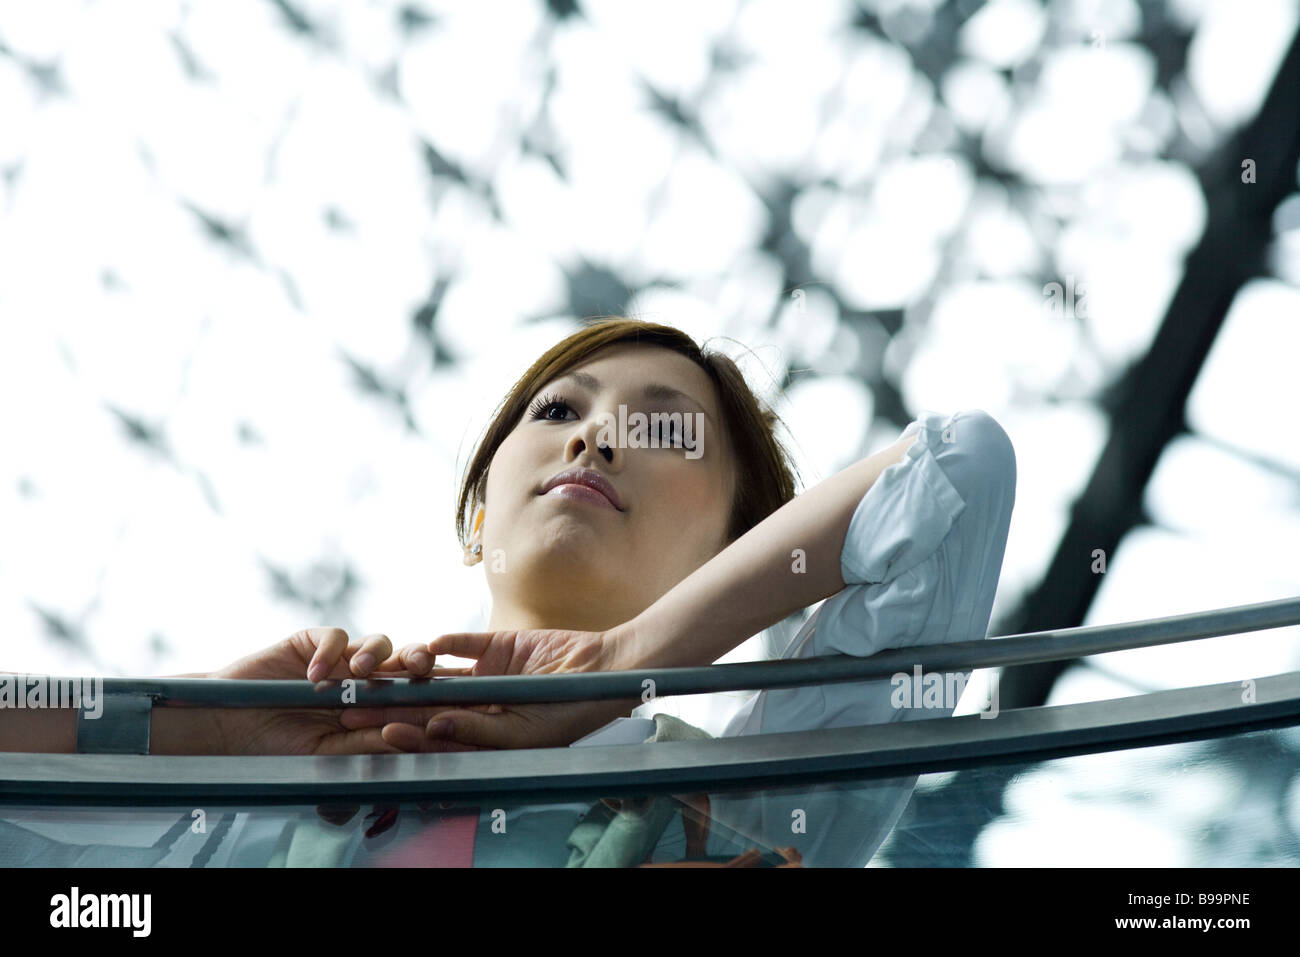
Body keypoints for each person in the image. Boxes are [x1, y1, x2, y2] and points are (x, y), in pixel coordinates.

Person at [2, 318, 1016, 866]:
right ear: (477, 516)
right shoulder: (283, 771)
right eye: (557, 408)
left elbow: (959, 473)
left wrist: (625, 662)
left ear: (740, 546)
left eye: (666, 428)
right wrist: (190, 735)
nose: (594, 436)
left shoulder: (753, 804)